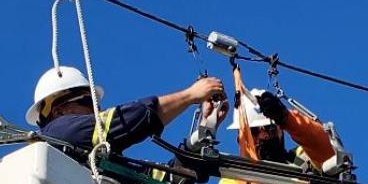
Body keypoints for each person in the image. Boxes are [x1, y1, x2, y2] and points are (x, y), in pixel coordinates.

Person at [213, 89, 358, 184]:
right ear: (240, 139)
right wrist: (264, 176)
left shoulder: (304, 157)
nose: (264, 136)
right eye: (254, 131)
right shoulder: (233, 179)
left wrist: (286, 118)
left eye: (270, 128)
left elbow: (328, 152)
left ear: (281, 130)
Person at [25, 66, 226, 154]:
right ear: (59, 112)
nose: (97, 109)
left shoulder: (95, 154)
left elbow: (160, 180)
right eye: (87, 101)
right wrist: (190, 95)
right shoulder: (59, 132)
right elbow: (130, 119)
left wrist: (205, 126)